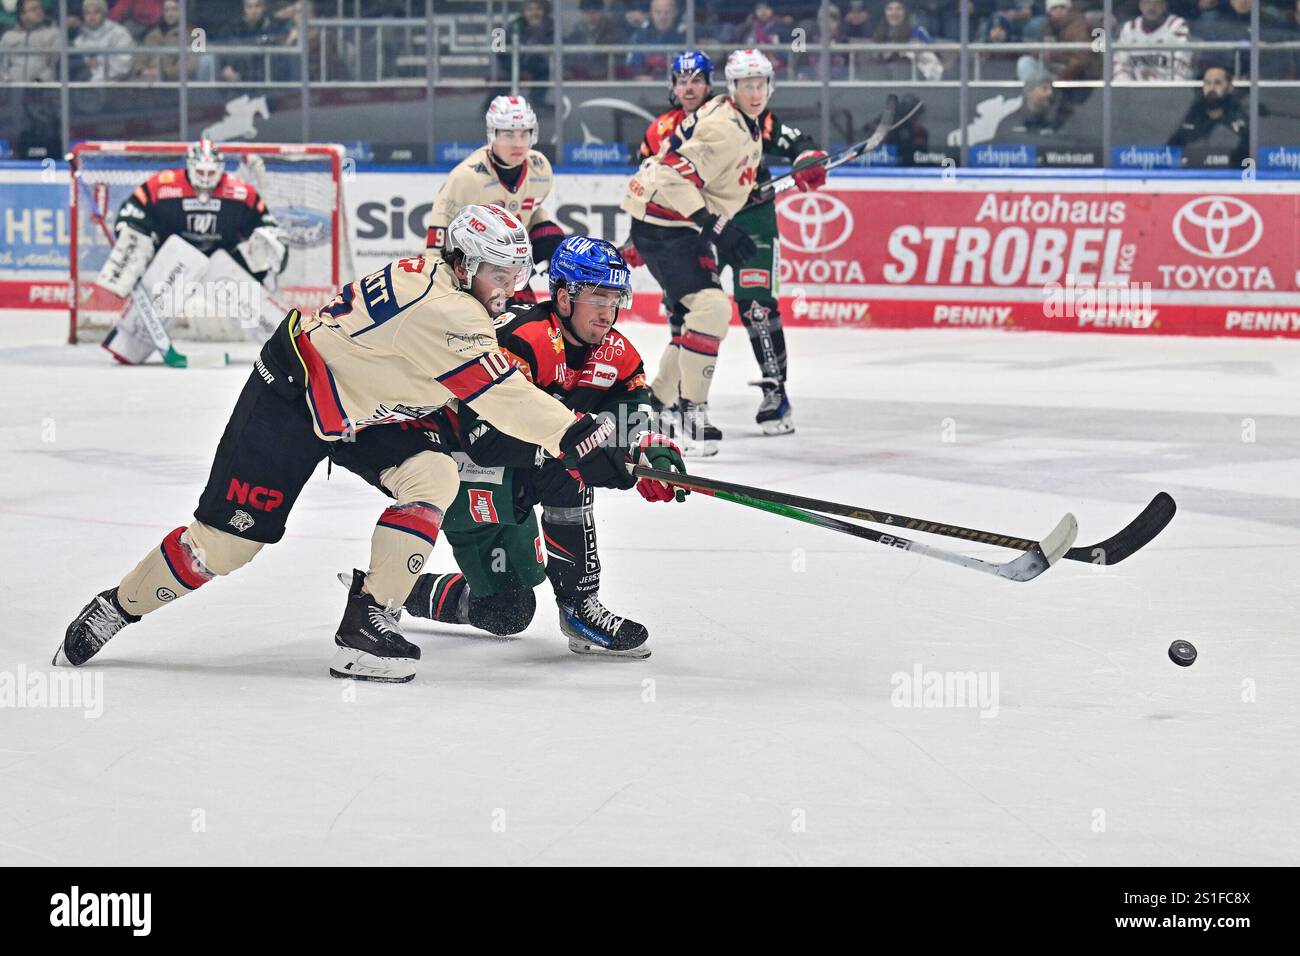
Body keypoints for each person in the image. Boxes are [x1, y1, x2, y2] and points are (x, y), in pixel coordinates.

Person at [55, 205, 648, 684]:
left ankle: (367, 622)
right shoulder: (446, 310)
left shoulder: (448, 283)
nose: (509, 289)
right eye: (499, 276)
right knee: (223, 548)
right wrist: (577, 436)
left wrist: (608, 437)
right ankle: (118, 606)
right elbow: (502, 396)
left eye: (518, 277)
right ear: (465, 265)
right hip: (293, 397)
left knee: (434, 475)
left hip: (362, 406)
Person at [396, 237, 687, 658]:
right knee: (571, 467)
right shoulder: (520, 338)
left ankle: (406, 588)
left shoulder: (618, 354)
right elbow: (486, 441)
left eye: (615, 297)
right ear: (565, 297)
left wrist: (645, 449)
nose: (608, 311)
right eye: (597, 296)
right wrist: (580, 450)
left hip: (519, 474)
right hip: (458, 473)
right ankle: (579, 609)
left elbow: (629, 417)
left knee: (506, 611)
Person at [620, 49, 769, 456]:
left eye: (760, 84)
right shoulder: (725, 126)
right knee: (712, 309)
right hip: (665, 226)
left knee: (698, 315)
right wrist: (714, 223)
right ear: (732, 88)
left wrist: (738, 194)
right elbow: (667, 173)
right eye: (746, 85)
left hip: (677, 224)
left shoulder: (741, 119)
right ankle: (691, 410)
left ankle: (657, 403)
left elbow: (714, 174)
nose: (754, 92)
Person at [94, 140, 290, 365]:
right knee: (174, 272)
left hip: (220, 263)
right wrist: (130, 234)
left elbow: (265, 225)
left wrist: (267, 248)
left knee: (240, 290)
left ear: (220, 169)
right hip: (174, 261)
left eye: (210, 172)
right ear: (189, 166)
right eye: (200, 171)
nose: (205, 178)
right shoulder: (163, 185)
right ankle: (129, 342)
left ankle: (285, 345)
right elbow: (133, 211)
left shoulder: (240, 192)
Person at [425, 95, 565, 294]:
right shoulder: (466, 178)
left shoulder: (540, 170)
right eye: (508, 134)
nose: (518, 144)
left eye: (524, 134)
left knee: (552, 237)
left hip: (511, 269)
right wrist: (439, 289)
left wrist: (550, 238)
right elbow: (436, 241)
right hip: (473, 271)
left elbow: (532, 212)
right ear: (492, 134)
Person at [1167, 63, 1248, 167]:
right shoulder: (1194, 115)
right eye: (1207, 83)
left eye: (1217, 83)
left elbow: (1252, 161)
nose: (1211, 88)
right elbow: (1168, 155)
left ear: (1229, 87)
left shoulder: (1238, 115)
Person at [1114, 0, 1193, 82]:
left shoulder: (1177, 26)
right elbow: (1121, 67)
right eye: (1147, 2)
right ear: (1140, 5)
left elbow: (1179, 72)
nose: (1151, 7)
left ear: (1164, 5)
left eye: (1157, 3)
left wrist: (1165, 91)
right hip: (1135, 90)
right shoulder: (1129, 28)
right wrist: (1128, 90)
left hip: (1169, 90)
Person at [217, 0, 286, 85]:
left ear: (264, 7)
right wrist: (226, 68)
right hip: (235, 84)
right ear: (244, 8)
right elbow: (222, 53)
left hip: (264, 84)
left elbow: (278, 61)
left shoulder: (273, 28)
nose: (253, 11)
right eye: (249, 7)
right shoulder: (232, 29)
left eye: (257, 6)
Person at [73, 0, 136, 82]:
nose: (91, 17)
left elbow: (123, 65)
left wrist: (98, 61)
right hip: (84, 86)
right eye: (87, 13)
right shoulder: (80, 38)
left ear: (103, 14)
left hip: (115, 87)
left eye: (96, 13)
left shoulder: (119, 33)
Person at [627, 0, 688, 79]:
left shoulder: (684, 38)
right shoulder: (640, 37)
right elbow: (634, 66)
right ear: (651, 13)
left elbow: (687, 71)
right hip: (646, 89)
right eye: (658, 12)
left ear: (675, 13)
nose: (663, 17)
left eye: (667, 12)